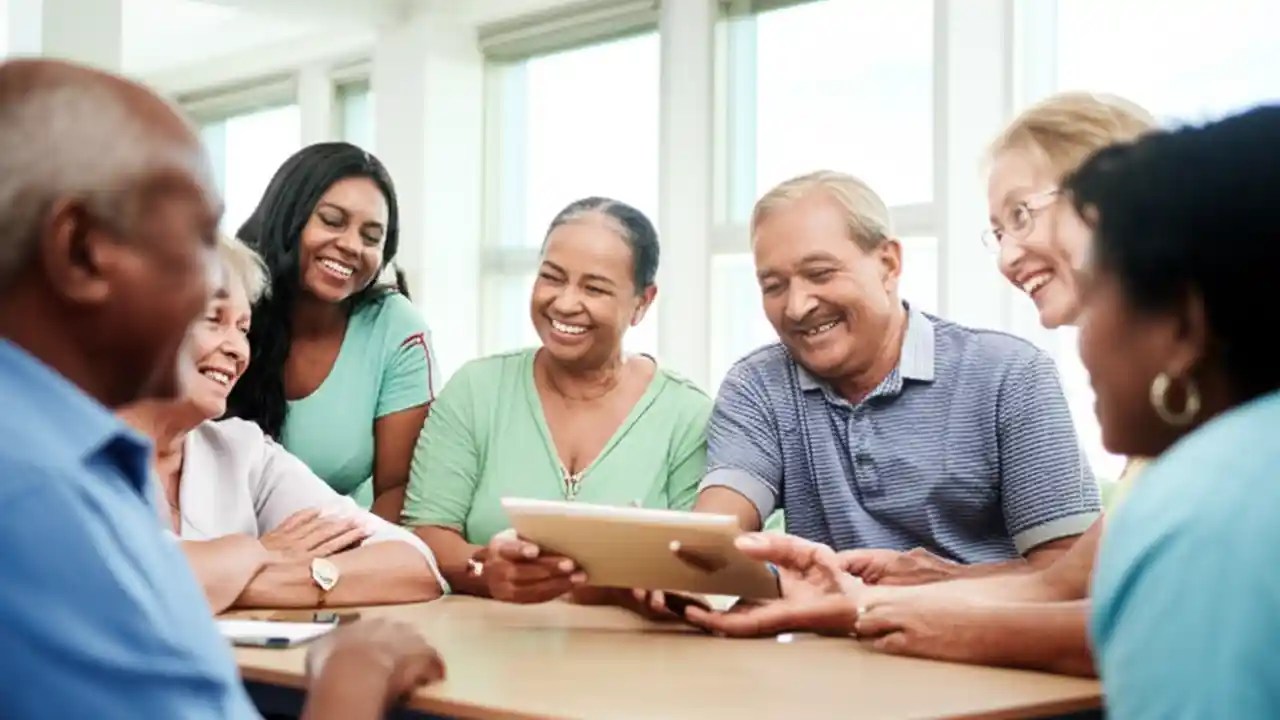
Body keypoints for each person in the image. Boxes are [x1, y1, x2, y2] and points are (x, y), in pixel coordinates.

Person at [0, 58, 441, 719]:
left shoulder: (74, 457)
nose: (237, 333)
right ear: (82, 251)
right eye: (198, 238)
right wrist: (354, 674)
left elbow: (411, 559)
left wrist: (224, 569)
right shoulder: (42, 495)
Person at [761, 93, 1155, 677]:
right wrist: (855, 601)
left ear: (1111, 194)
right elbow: (1064, 583)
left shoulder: (1220, 388)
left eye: (1021, 215)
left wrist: (906, 619)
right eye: (997, 232)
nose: (1007, 258)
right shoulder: (1171, 403)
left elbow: (1139, 626)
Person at [692, 170, 1099, 569]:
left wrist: (938, 585)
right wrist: (684, 556)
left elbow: (1069, 572)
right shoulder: (757, 385)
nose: (797, 306)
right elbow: (719, 523)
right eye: (774, 286)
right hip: (824, 633)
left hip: (978, 632)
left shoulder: (1011, 375)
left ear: (888, 263)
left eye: (820, 274)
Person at [404, 197, 712, 606]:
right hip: (486, 651)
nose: (565, 303)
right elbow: (425, 534)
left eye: (594, 288)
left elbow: (702, 562)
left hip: (633, 658)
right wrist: (484, 569)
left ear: (642, 302)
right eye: (552, 278)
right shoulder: (476, 390)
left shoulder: (687, 415)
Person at [119, 233, 447, 614]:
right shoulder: (70, 453)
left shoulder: (243, 450)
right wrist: (256, 552)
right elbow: (124, 583)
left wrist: (241, 580)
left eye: (243, 328)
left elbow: (414, 564)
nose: (237, 349)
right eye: (214, 320)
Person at [226, 142, 440, 522]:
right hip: (216, 541)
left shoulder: (396, 329)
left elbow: (399, 487)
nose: (351, 246)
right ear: (288, 216)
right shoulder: (227, 298)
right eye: (332, 220)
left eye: (371, 237)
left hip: (337, 549)